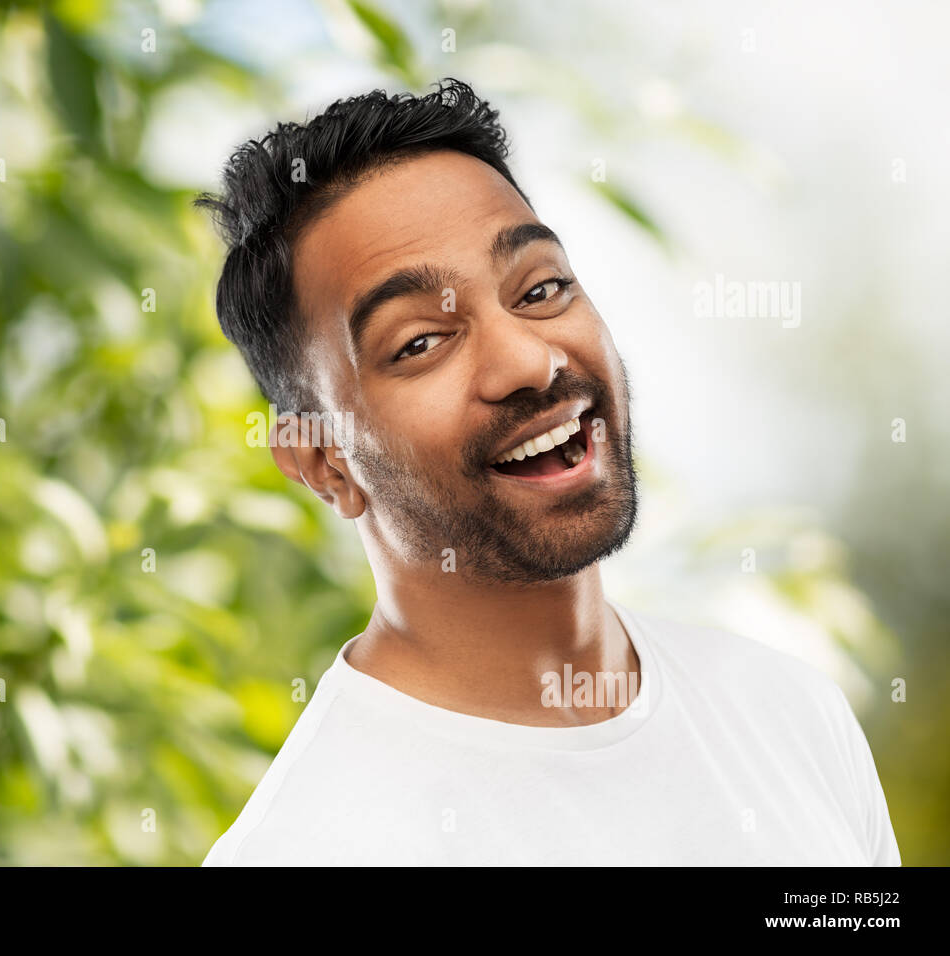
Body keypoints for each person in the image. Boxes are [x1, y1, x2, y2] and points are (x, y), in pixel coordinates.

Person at [192, 78, 899, 866]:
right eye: (421, 342)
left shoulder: (789, 716)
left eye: (540, 288)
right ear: (323, 461)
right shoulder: (304, 849)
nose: (529, 360)